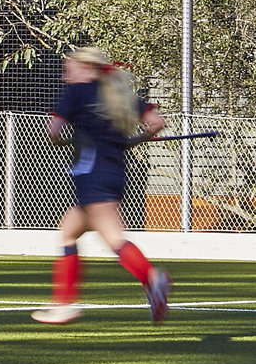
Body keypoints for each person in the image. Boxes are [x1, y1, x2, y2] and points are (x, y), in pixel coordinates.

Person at [35, 47, 170, 325]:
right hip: (115, 174)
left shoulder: (76, 92)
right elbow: (156, 123)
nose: (65, 77)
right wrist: (137, 139)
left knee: (113, 238)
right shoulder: (118, 94)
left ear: (86, 68)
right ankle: (64, 304)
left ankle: (151, 278)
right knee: (68, 231)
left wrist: (63, 141)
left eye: (68, 70)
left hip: (92, 175)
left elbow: (53, 132)